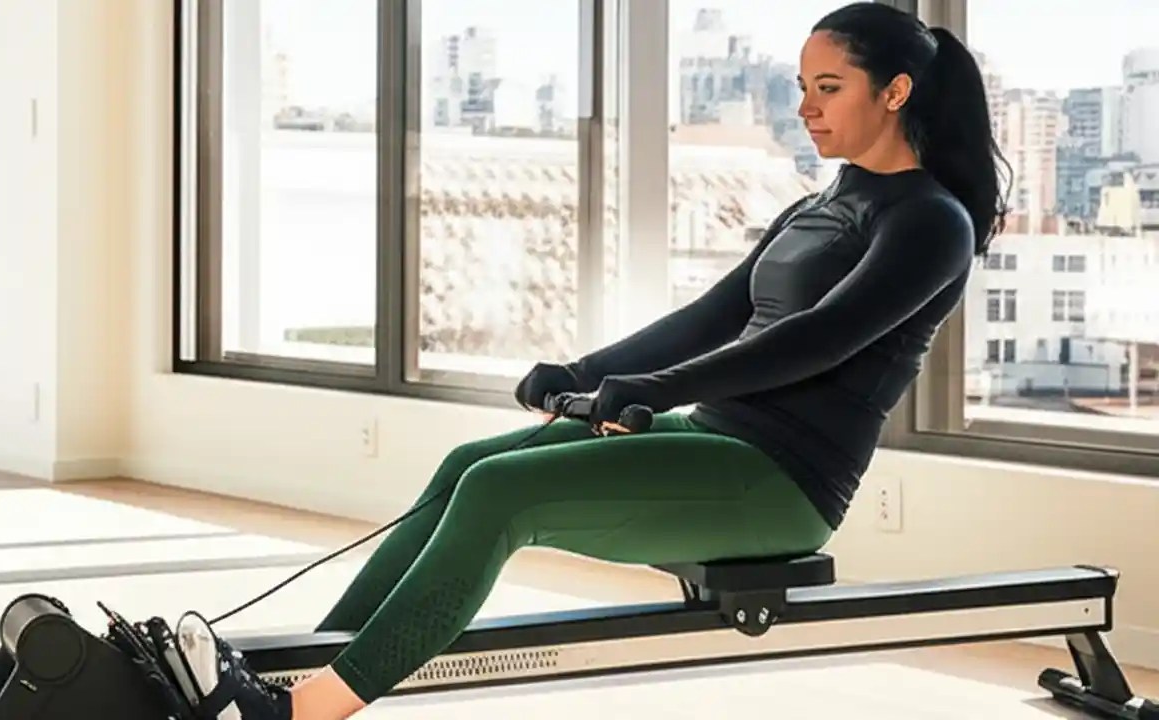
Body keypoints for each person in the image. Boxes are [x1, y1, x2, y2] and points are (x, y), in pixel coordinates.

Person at [178, 3, 1011, 718]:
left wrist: (657, 390)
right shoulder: (822, 201)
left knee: (502, 494)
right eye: (801, 87)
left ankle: (302, 709)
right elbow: (713, 316)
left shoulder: (934, 223)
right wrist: (581, 371)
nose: (806, 107)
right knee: (470, 461)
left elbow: (818, 339)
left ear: (894, 93)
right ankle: (299, 665)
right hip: (715, 437)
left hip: (785, 481)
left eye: (828, 88)